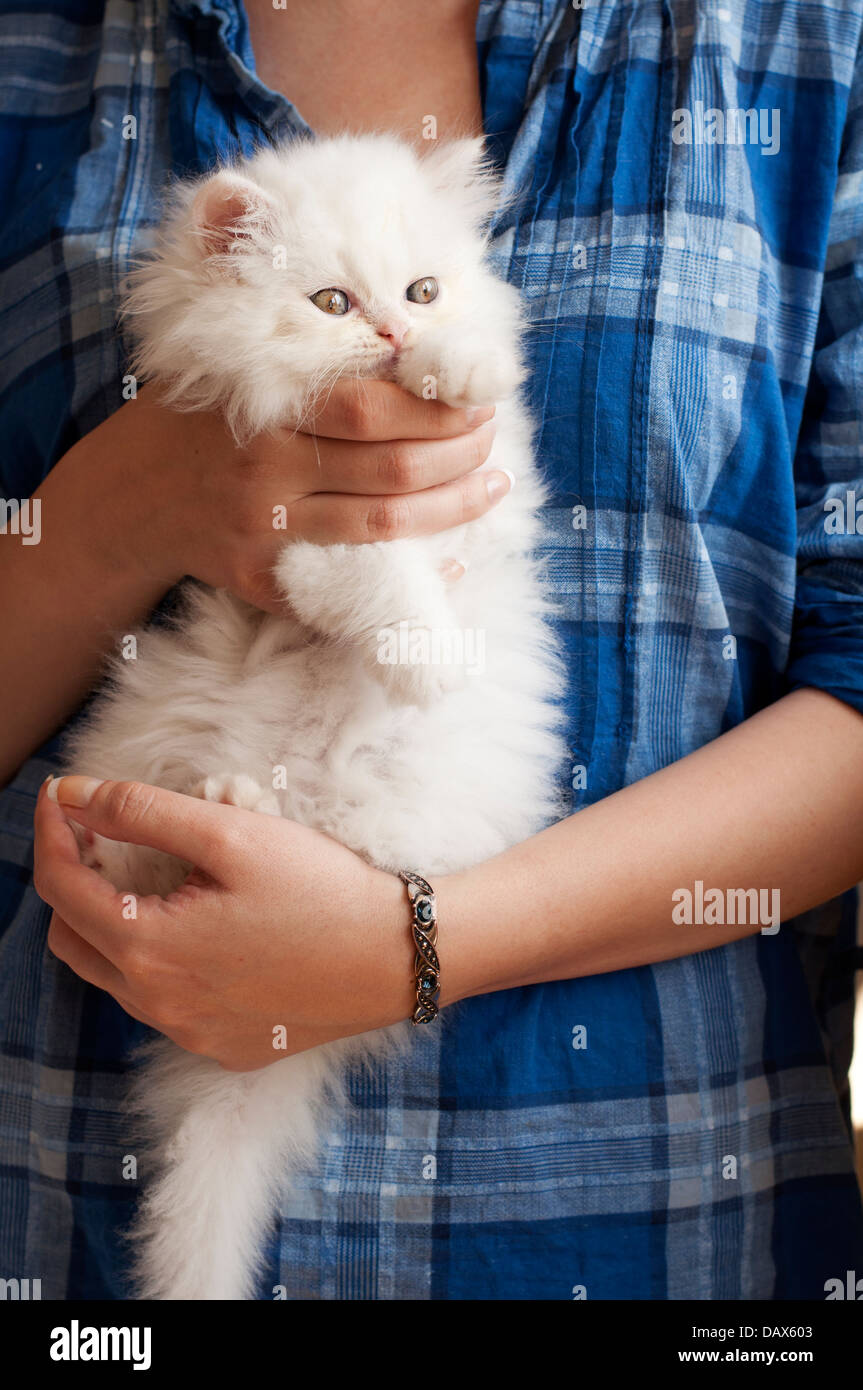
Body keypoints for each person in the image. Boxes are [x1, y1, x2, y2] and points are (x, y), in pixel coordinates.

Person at [1, 0, 862, 1300]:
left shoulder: (804, 43)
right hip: (58, 1196)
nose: (393, 336)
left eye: (413, 296)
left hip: (643, 1209)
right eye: (351, 301)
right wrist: (111, 517)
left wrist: (416, 938)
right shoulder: (32, 55)